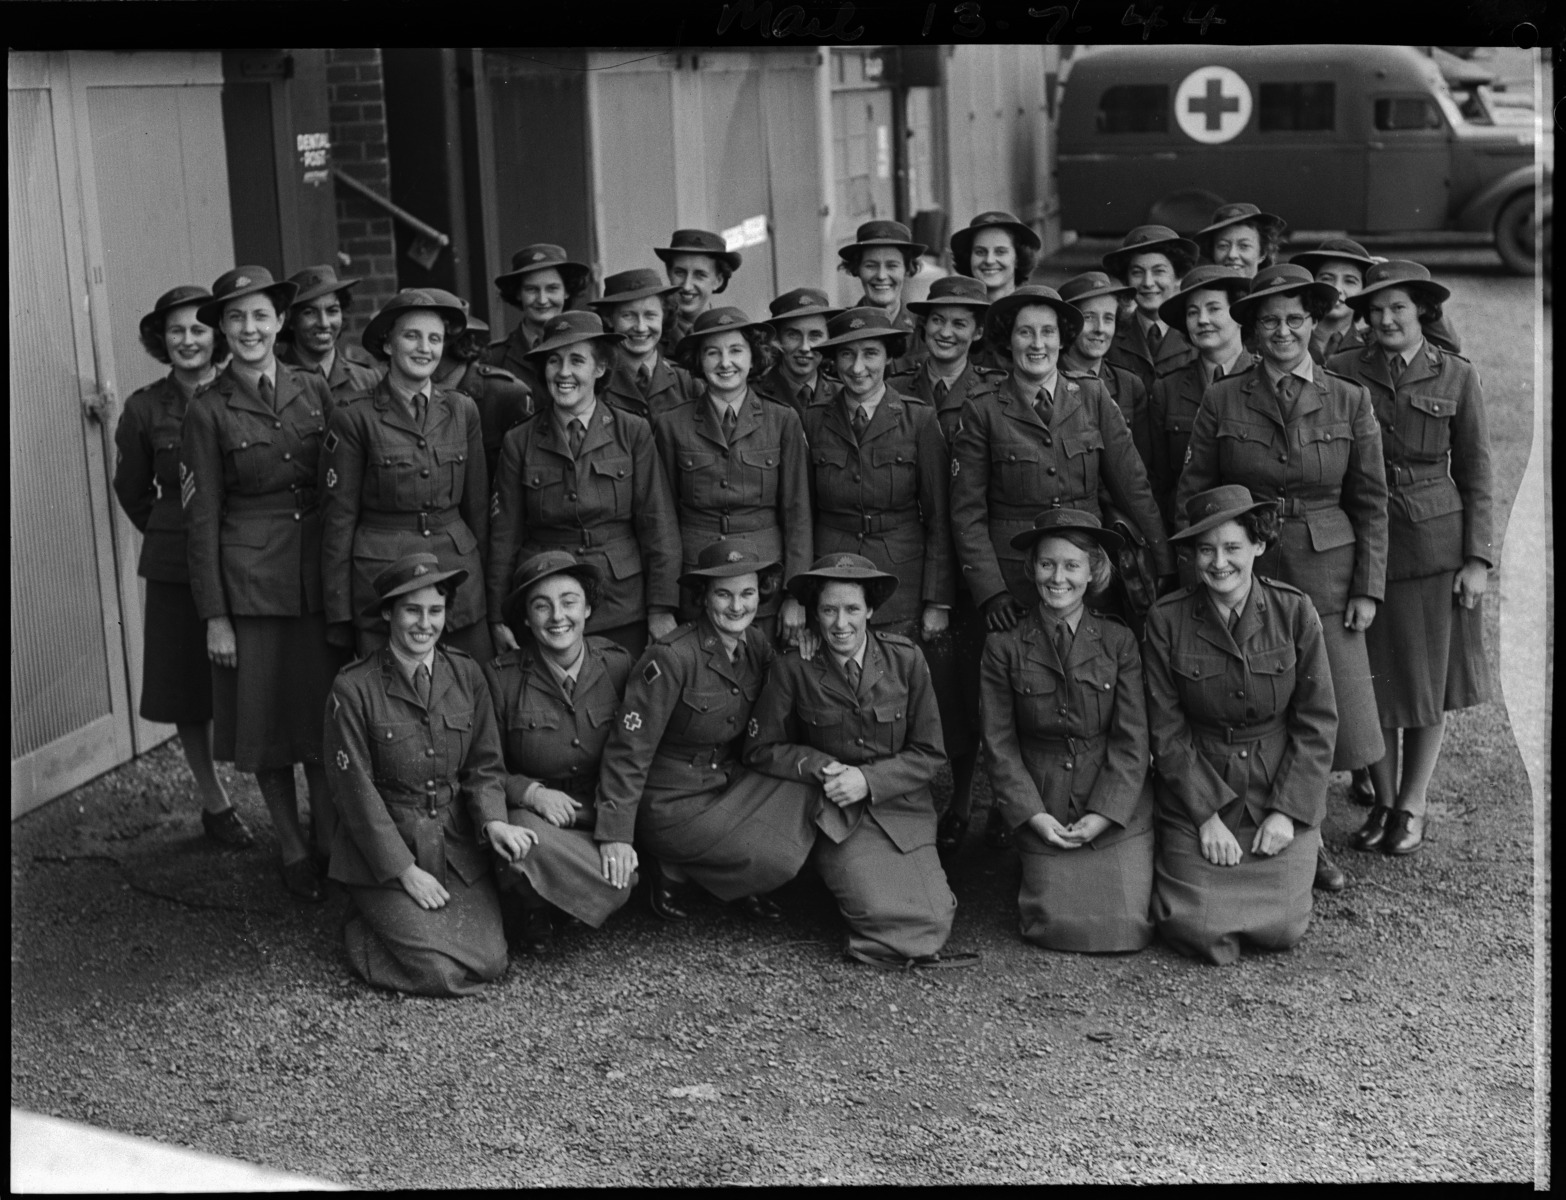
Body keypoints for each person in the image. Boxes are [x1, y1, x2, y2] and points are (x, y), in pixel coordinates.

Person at [1176, 263, 1390, 894]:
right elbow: (1192, 490)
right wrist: (1205, 567)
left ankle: (1308, 834)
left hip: (1326, 566)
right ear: (1252, 328)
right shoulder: (1223, 398)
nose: (1282, 331)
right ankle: (1257, 823)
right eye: (1268, 320)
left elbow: (1371, 502)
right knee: (1257, 704)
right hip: (1243, 567)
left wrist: (1367, 586)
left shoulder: (1349, 398)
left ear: (1314, 322)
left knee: (1321, 708)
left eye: (1295, 318)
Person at [182, 266, 343, 900]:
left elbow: (338, 480)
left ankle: (330, 838)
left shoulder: (311, 387)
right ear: (223, 329)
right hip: (252, 585)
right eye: (236, 318)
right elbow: (202, 521)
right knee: (269, 724)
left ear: (281, 322)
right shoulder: (208, 409)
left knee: (326, 718)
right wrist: (215, 617)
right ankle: (293, 845)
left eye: (261, 316)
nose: (250, 329)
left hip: (316, 577)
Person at [1330, 261, 1496, 858]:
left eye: (1397, 308)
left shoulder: (1455, 376)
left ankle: (1413, 803)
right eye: (1374, 311)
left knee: (1425, 683)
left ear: (1422, 311)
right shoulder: (1343, 371)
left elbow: (1477, 473)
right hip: (1365, 543)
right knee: (1372, 683)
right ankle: (1380, 798)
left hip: (1433, 545)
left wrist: (1476, 559)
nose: (1385, 320)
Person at [744, 554, 976, 969]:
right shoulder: (794, 667)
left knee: (935, 920)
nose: (840, 623)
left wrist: (869, 780)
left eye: (852, 609)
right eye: (829, 610)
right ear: (815, 613)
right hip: (835, 812)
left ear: (870, 610)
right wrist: (820, 766)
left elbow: (930, 753)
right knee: (877, 914)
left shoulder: (906, 660)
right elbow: (761, 749)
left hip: (900, 808)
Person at [1144, 486, 1337, 965]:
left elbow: (1317, 721)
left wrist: (1287, 812)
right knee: (1194, 926)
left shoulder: (1295, 612)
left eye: (1232, 547)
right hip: (1200, 791)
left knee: (1284, 927)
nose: (1218, 563)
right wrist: (1205, 818)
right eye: (1205, 550)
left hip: (1276, 788)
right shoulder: (1166, 621)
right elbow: (1165, 733)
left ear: (1259, 544)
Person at [324, 554, 532, 996]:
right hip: (385, 853)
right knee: (440, 974)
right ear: (387, 613)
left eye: (435, 611)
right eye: (412, 611)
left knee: (492, 961)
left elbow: (484, 763)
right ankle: (363, 929)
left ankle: (399, 928)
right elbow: (355, 795)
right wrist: (404, 872)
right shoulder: (354, 688)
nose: (425, 624)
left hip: (454, 844)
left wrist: (493, 818)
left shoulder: (466, 673)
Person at [593, 539, 820, 922]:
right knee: (776, 856)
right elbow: (628, 749)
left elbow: (784, 688)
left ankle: (716, 873)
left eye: (747, 593)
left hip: (726, 781)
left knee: (806, 788)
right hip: (671, 802)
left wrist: (808, 647)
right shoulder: (671, 657)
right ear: (704, 597)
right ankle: (671, 867)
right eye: (724, 595)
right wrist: (615, 833)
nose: (737, 606)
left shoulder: (755, 643)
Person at [949, 284, 1174, 660]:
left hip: (1088, 575)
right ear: (1008, 340)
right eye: (1025, 332)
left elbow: (1133, 488)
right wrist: (990, 591)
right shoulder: (982, 409)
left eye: (1048, 332)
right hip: (1015, 583)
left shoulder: (1092, 396)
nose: (1037, 344)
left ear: (1062, 338)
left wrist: (1163, 563)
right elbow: (967, 512)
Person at [979, 510, 1154, 952]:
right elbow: (998, 744)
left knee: (1127, 924)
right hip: (1044, 798)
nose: (1058, 578)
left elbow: (1133, 739)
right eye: (1047, 564)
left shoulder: (1118, 641)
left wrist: (1105, 812)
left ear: (1093, 572)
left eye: (1072, 566)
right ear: (1031, 568)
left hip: (1112, 796)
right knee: (1053, 925)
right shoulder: (1004, 645)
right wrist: (1032, 814)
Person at [113, 285, 249, 847]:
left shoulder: (238, 392)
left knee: (255, 673)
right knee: (187, 685)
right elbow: (132, 490)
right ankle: (214, 802)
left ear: (216, 335)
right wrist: (177, 534)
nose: (188, 340)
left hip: (245, 553)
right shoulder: (145, 408)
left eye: (198, 329)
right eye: (176, 331)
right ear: (161, 340)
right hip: (174, 565)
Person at [487, 311, 681, 661]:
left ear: (601, 368)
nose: (563, 373)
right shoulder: (520, 440)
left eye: (577, 360)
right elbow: (504, 536)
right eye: (554, 361)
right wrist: (499, 616)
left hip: (620, 602)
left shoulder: (632, 432)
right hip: (547, 605)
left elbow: (658, 524)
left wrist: (661, 606)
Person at [320, 289, 492, 661]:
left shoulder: (463, 410)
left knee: (469, 697)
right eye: (411, 336)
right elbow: (338, 520)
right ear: (387, 344)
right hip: (385, 583)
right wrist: (339, 614)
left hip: (456, 579)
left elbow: (478, 509)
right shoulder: (354, 417)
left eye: (435, 339)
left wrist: (491, 596)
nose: (424, 348)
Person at [482, 552, 638, 954]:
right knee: (521, 840)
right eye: (541, 605)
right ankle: (535, 905)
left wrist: (617, 830)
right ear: (527, 619)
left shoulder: (619, 666)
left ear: (587, 608)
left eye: (569, 602)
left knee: (622, 879)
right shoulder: (501, 678)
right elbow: (482, 766)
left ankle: (560, 891)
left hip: (597, 811)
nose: (557, 616)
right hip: (535, 817)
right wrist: (532, 793)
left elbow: (635, 754)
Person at [892, 275, 999, 854]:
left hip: (975, 558)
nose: (947, 332)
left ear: (978, 332)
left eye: (961, 323)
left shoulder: (993, 391)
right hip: (921, 555)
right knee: (929, 684)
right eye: (938, 321)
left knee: (972, 686)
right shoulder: (899, 386)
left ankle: (966, 800)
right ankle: (920, 806)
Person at [662, 307, 812, 643]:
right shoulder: (672, 425)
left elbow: (797, 514)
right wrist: (664, 602)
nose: (724, 363)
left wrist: (795, 594)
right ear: (698, 361)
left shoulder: (782, 420)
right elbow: (663, 519)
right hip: (698, 582)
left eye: (736, 351)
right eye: (712, 353)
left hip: (764, 584)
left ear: (753, 357)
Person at [1147, 265, 1254, 531]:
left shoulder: (1265, 381)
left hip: (1251, 529)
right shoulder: (1167, 389)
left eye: (1214, 309)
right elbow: (1159, 482)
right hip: (1189, 530)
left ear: (1239, 315)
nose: (1202, 320)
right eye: (1192, 312)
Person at [1291, 237, 1463, 369]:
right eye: (1327, 279)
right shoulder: (1289, 335)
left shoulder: (1378, 340)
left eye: (1350, 281)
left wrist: (1394, 278)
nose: (1337, 289)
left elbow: (1448, 345)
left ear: (1365, 291)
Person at [424, 289, 533, 487]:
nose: (420, 346)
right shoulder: (401, 395)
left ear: (451, 336)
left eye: (431, 335)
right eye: (410, 335)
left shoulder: (504, 394)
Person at [1057, 271, 1153, 475]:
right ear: (1068, 323)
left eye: (1108, 318)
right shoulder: (1047, 379)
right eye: (1089, 318)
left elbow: (1142, 468)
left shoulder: (1129, 385)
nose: (1100, 329)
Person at [589, 267, 703, 422]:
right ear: (609, 318)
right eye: (628, 315)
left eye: (650, 315)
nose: (641, 327)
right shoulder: (595, 382)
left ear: (664, 316)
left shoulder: (687, 384)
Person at [1102, 225, 1199, 395]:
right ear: (1126, 281)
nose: (1147, 282)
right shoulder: (1110, 334)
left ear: (1178, 277)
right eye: (1137, 272)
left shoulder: (1196, 333)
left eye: (1159, 271)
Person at [484, 243, 592, 394]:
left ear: (566, 291)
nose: (542, 300)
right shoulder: (495, 357)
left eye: (552, 288)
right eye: (531, 289)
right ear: (518, 293)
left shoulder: (589, 350)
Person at [276, 264, 381, 401]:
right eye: (310, 312)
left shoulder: (369, 380)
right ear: (290, 320)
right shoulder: (273, 381)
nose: (324, 323)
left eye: (332, 311)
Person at [837, 220, 926, 375]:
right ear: (857, 268)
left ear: (907, 268)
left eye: (892, 266)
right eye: (871, 266)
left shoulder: (925, 328)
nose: (881, 276)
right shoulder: (840, 329)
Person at [754, 287, 843, 421]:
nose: (805, 347)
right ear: (777, 339)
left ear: (828, 339)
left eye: (815, 336)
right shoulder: (755, 394)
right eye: (793, 335)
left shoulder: (843, 394)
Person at [653, 229, 742, 360]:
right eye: (680, 272)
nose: (687, 286)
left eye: (700, 275)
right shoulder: (652, 336)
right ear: (668, 273)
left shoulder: (733, 334)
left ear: (718, 280)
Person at [950, 209, 1041, 304]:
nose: (989, 260)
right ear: (968, 257)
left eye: (1000, 252)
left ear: (1018, 258)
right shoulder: (956, 312)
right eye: (980, 252)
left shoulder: (1032, 312)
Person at [1193, 202, 1287, 278]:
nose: (1232, 255)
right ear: (1212, 252)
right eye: (1223, 246)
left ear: (1263, 253)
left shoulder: (1271, 300)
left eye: (1244, 246)